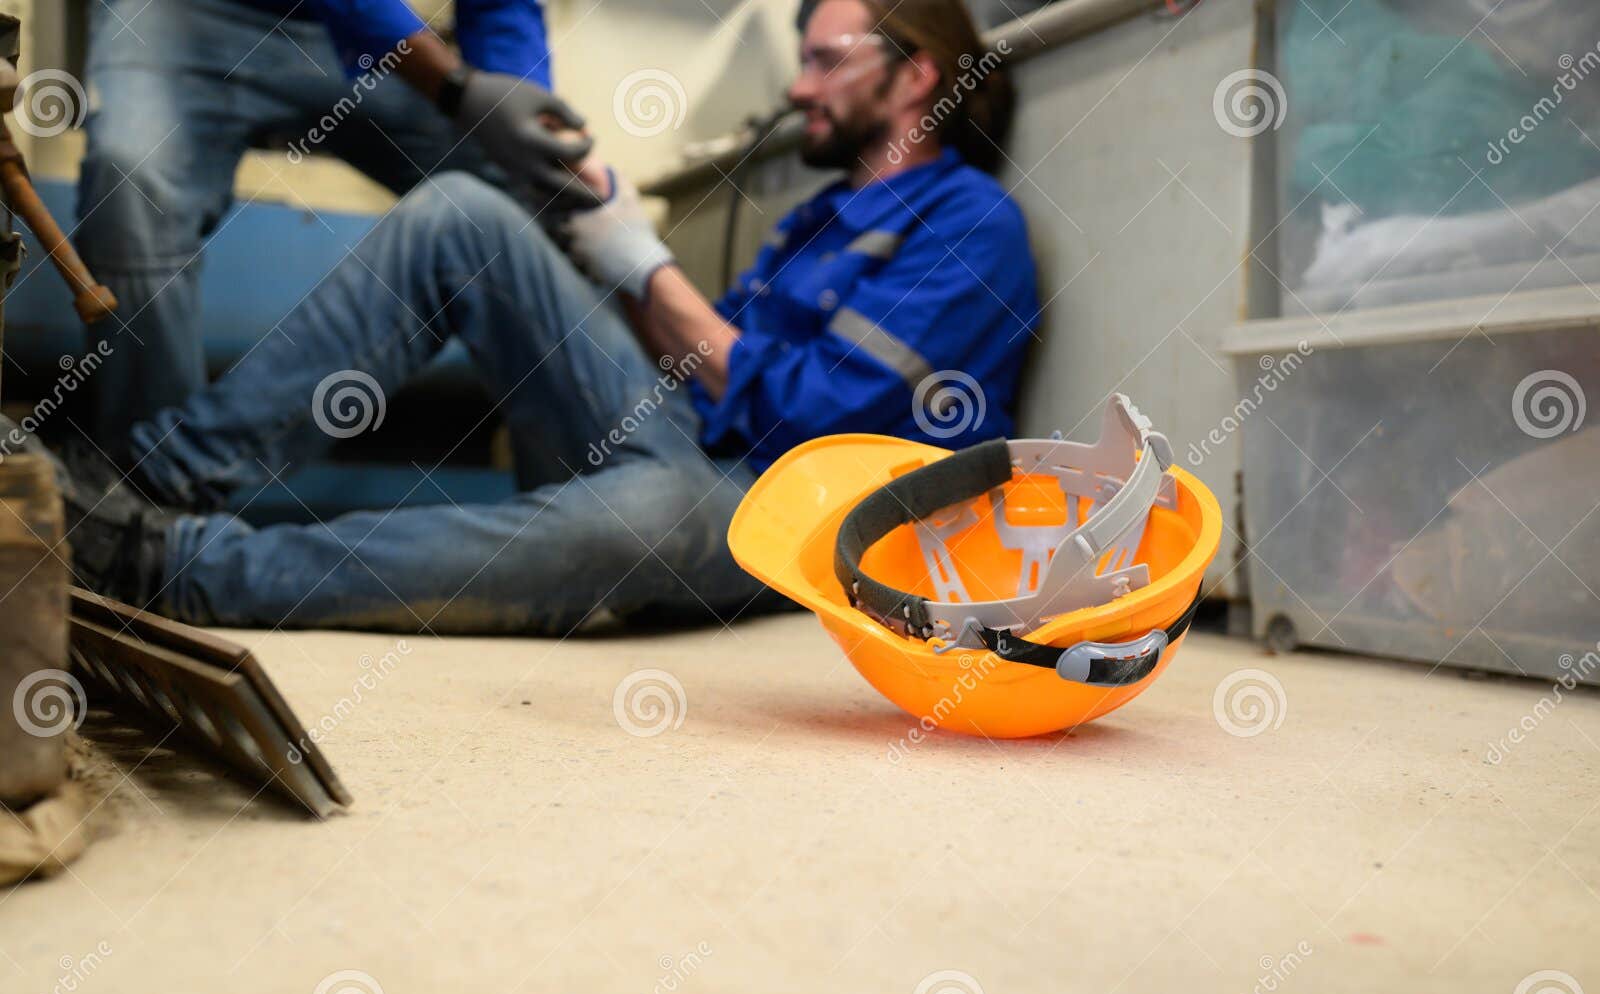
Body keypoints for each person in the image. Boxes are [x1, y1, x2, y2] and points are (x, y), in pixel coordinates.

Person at [34, 0, 1038, 636]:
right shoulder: (816, 222)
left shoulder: (971, 228)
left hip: (795, 517)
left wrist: (644, 267)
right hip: (694, 441)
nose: (795, 85)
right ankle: (134, 493)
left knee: (656, 518)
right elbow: (709, 372)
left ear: (914, 75)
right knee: (466, 214)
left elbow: (820, 427)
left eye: (824, 60)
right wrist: (600, 246)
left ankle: (181, 569)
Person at [75, 0, 594, 441]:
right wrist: (455, 86)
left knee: (545, 190)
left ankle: (587, 508)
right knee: (131, 179)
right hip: (181, 15)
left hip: (338, 32)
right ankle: (142, 508)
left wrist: (523, 107)